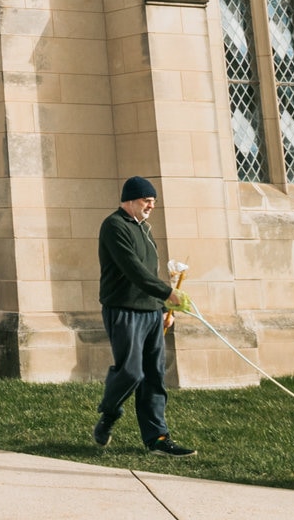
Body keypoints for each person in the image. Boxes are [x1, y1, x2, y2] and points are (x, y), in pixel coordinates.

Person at [94, 176, 195, 456]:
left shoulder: (146, 230)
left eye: (153, 201)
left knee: (154, 376)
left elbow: (150, 273)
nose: (151, 206)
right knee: (131, 372)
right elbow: (133, 269)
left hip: (151, 312)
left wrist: (164, 309)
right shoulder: (114, 226)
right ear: (130, 200)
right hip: (123, 310)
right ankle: (109, 413)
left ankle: (158, 439)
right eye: (146, 200)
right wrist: (167, 293)